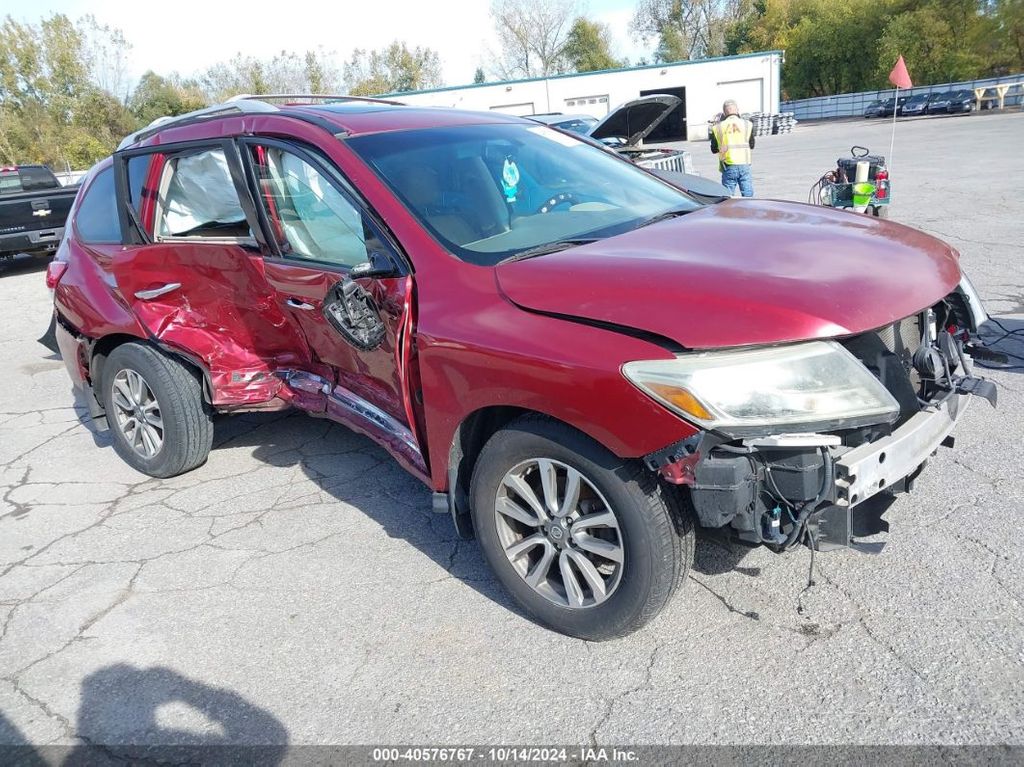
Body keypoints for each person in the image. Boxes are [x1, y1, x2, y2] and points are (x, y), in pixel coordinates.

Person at [710, 100, 755, 197]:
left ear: (724, 113)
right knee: (748, 194)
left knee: (728, 196)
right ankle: (749, 210)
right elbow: (752, 145)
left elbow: (713, 149)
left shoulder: (717, 127)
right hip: (744, 164)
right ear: (738, 110)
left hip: (728, 165)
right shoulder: (747, 124)